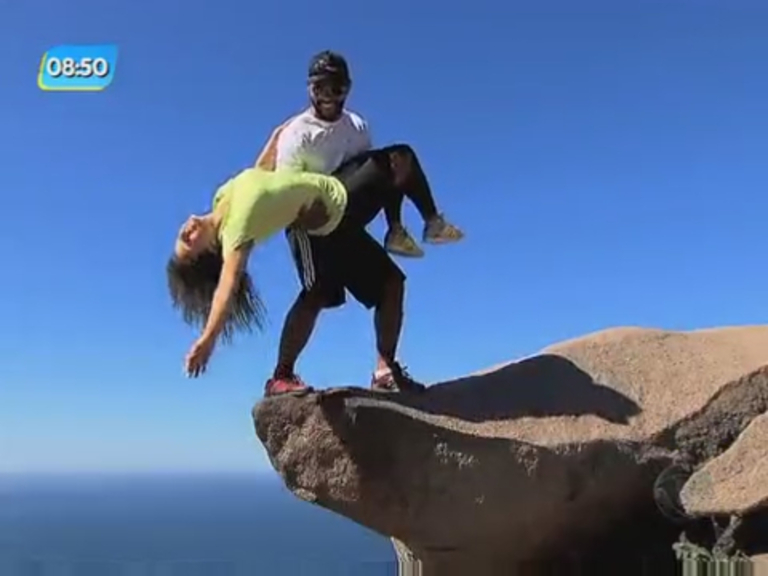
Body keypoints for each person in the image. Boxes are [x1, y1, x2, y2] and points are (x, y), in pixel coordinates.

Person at [167, 152, 456, 396]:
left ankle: (385, 372)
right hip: (309, 227)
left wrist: (288, 127)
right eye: (187, 242)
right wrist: (208, 339)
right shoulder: (234, 232)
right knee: (318, 290)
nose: (187, 232)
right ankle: (281, 376)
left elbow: (262, 167)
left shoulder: (222, 196)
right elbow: (228, 284)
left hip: (337, 215)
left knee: (391, 284)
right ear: (209, 251)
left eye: (181, 236)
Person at [254, 50, 464, 258]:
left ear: (348, 89)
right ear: (309, 89)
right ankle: (421, 225)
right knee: (394, 159)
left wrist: (393, 220)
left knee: (397, 162)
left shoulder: (356, 125)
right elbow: (287, 192)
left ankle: (400, 231)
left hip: (349, 214)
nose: (327, 97)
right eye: (319, 89)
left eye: (336, 89)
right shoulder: (297, 133)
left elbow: (382, 177)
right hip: (317, 216)